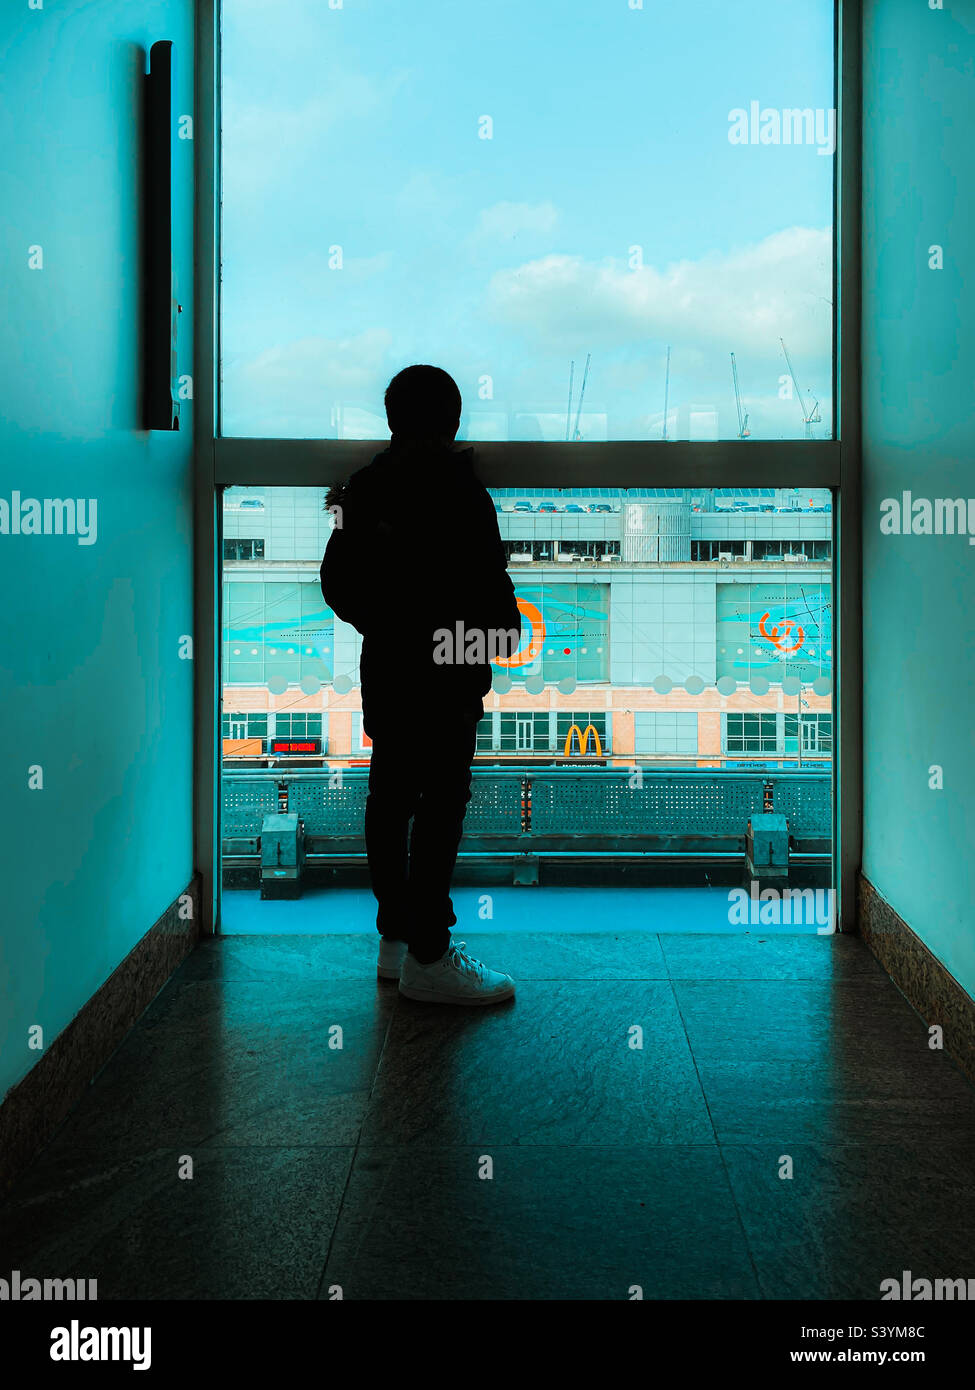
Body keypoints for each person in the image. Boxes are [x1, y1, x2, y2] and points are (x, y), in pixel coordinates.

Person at [320, 365, 520, 1004]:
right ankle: (431, 957)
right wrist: (494, 640)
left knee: (391, 796)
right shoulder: (460, 493)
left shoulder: (366, 489)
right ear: (454, 420)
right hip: (450, 672)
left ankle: (396, 940)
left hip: (390, 668)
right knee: (441, 807)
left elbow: (338, 584)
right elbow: (490, 590)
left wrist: (387, 624)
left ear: (392, 420)